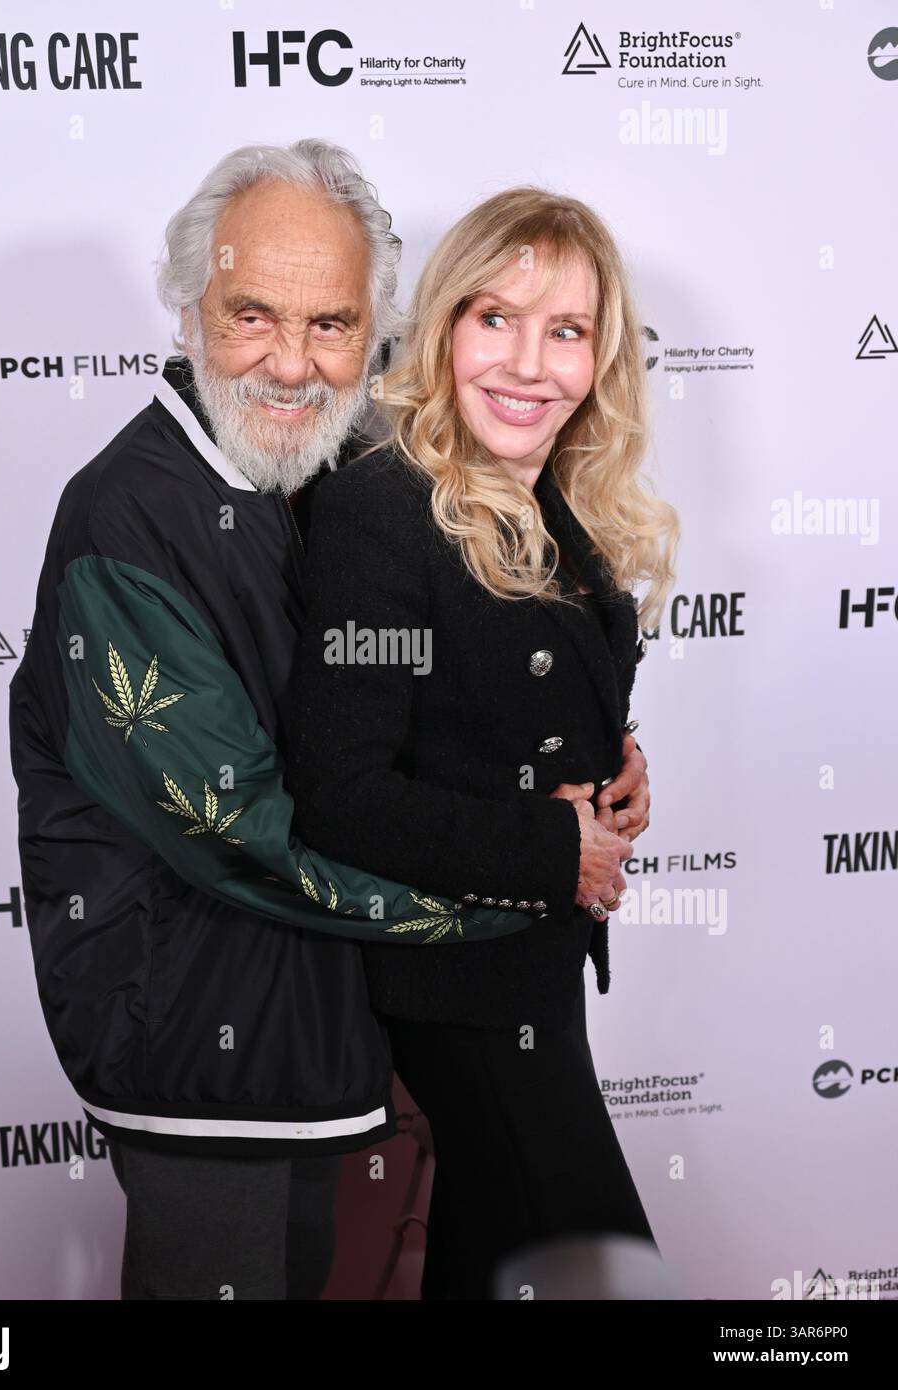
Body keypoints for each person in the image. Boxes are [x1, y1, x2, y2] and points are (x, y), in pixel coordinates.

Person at [8, 141, 576, 1301]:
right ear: (186, 308)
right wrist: (522, 880)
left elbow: (423, 704)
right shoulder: (126, 518)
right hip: (213, 1080)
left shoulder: (324, 473)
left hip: (336, 1046)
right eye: (251, 315)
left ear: (374, 332)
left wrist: (583, 769)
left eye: (330, 325)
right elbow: (243, 834)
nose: (292, 361)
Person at [286, 186, 679, 1299]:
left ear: (599, 356)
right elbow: (339, 790)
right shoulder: (383, 506)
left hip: (534, 970)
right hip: (456, 986)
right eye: (493, 318)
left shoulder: (558, 491)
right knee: (603, 1273)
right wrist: (555, 851)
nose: (526, 362)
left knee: (489, 1257)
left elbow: (520, 702)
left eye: (563, 330)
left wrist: (619, 770)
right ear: (444, 326)